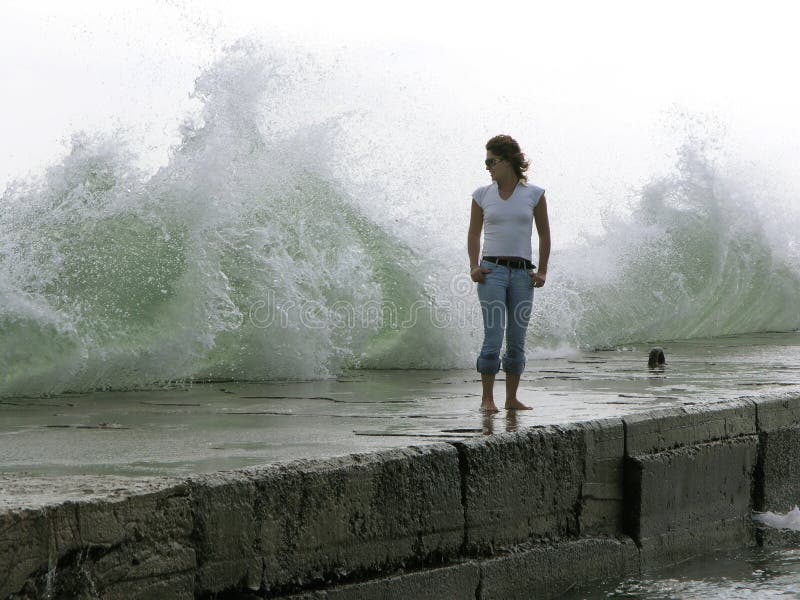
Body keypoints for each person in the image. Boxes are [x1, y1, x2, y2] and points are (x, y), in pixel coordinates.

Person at [467, 134, 551, 413]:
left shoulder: (534, 194)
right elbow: (474, 233)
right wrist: (473, 266)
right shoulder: (482, 195)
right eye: (486, 162)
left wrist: (543, 270)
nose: (487, 167)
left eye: (491, 161)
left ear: (507, 161)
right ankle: (487, 399)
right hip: (492, 272)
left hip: (523, 275)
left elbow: (544, 234)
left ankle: (511, 398)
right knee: (493, 335)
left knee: (517, 338)